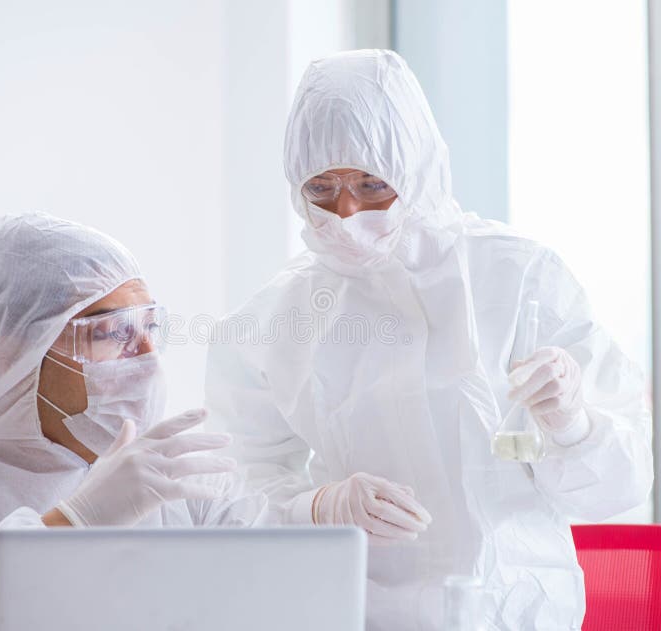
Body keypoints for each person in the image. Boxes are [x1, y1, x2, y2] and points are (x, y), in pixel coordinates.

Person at [205, 49, 653, 630]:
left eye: (372, 183)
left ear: (414, 168)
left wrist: (574, 425)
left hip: (515, 611)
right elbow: (229, 489)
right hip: (361, 614)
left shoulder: (519, 278)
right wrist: (314, 507)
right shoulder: (277, 318)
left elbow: (620, 488)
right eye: (322, 187)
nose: (346, 212)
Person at [0, 212, 266, 629]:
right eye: (112, 332)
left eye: (151, 327)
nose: (148, 357)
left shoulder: (188, 488)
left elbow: (276, 595)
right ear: (11, 352)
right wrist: (73, 525)